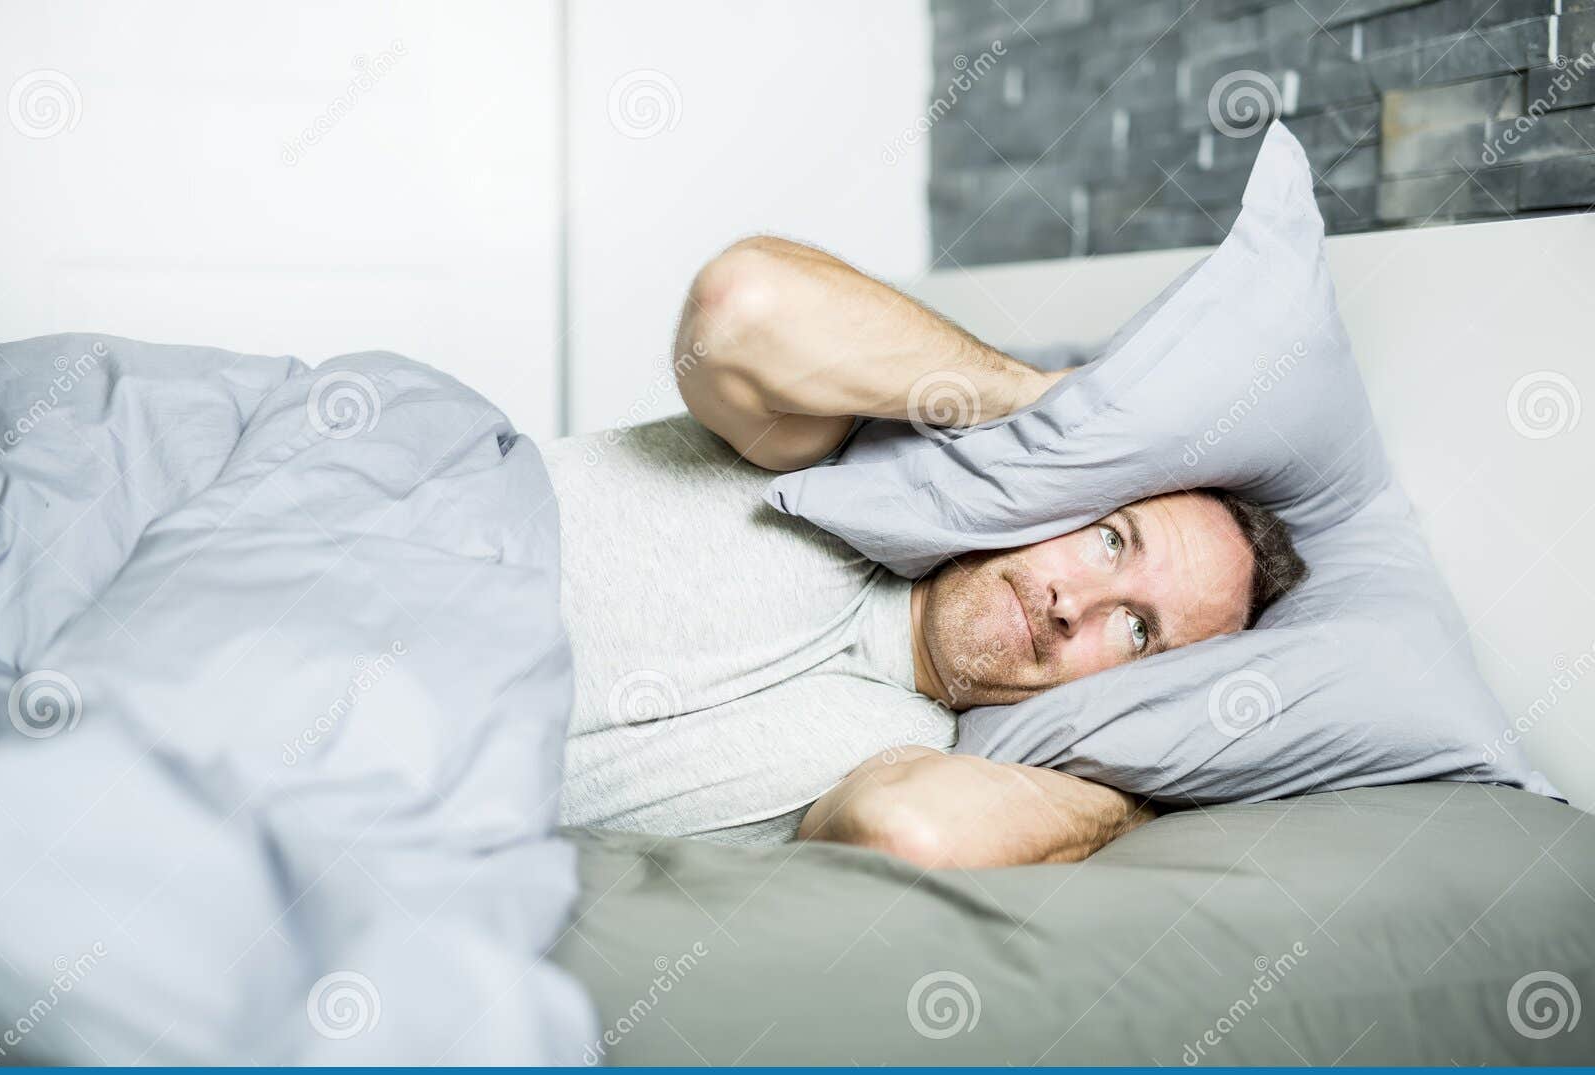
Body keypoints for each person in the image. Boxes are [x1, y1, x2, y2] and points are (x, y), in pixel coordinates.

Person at [545, 236, 1307, 870]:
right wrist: (1044, 408)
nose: (1074, 603)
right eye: (1110, 540)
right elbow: (739, 307)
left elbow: (911, 833)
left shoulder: (905, 755)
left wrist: (1140, 788)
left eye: (1138, 631)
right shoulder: (824, 463)